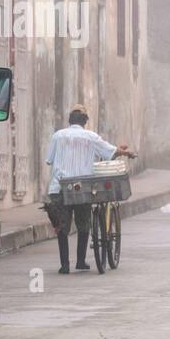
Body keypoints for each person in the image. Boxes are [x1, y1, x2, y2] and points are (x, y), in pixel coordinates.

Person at [43, 105, 136, 274]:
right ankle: (80, 261)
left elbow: (49, 160)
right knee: (83, 223)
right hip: (82, 187)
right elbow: (112, 152)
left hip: (60, 187)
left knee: (62, 227)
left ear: (70, 120)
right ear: (85, 122)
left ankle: (64, 265)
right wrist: (126, 152)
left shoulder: (58, 136)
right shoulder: (91, 137)